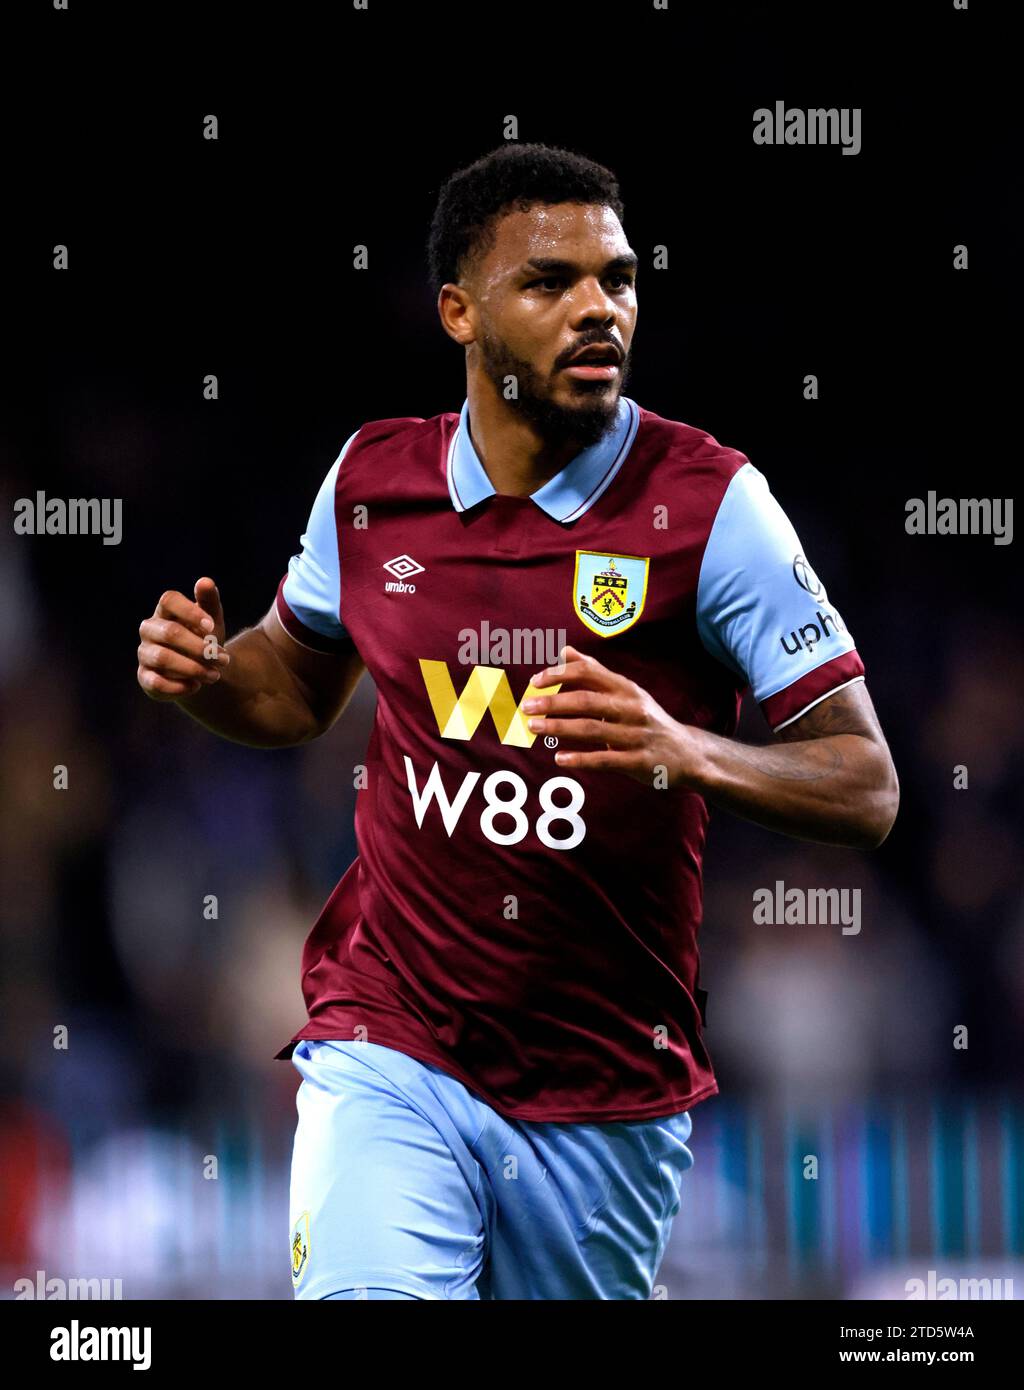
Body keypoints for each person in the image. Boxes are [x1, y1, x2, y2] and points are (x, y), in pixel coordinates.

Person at [136, 143, 899, 1299]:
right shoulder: (370, 483)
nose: (600, 308)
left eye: (619, 279)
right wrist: (206, 674)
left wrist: (687, 749)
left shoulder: (711, 506)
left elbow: (867, 786)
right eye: (550, 282)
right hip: (390, 1035)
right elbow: (289, 686)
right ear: (458, 310)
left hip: (603, 1083)